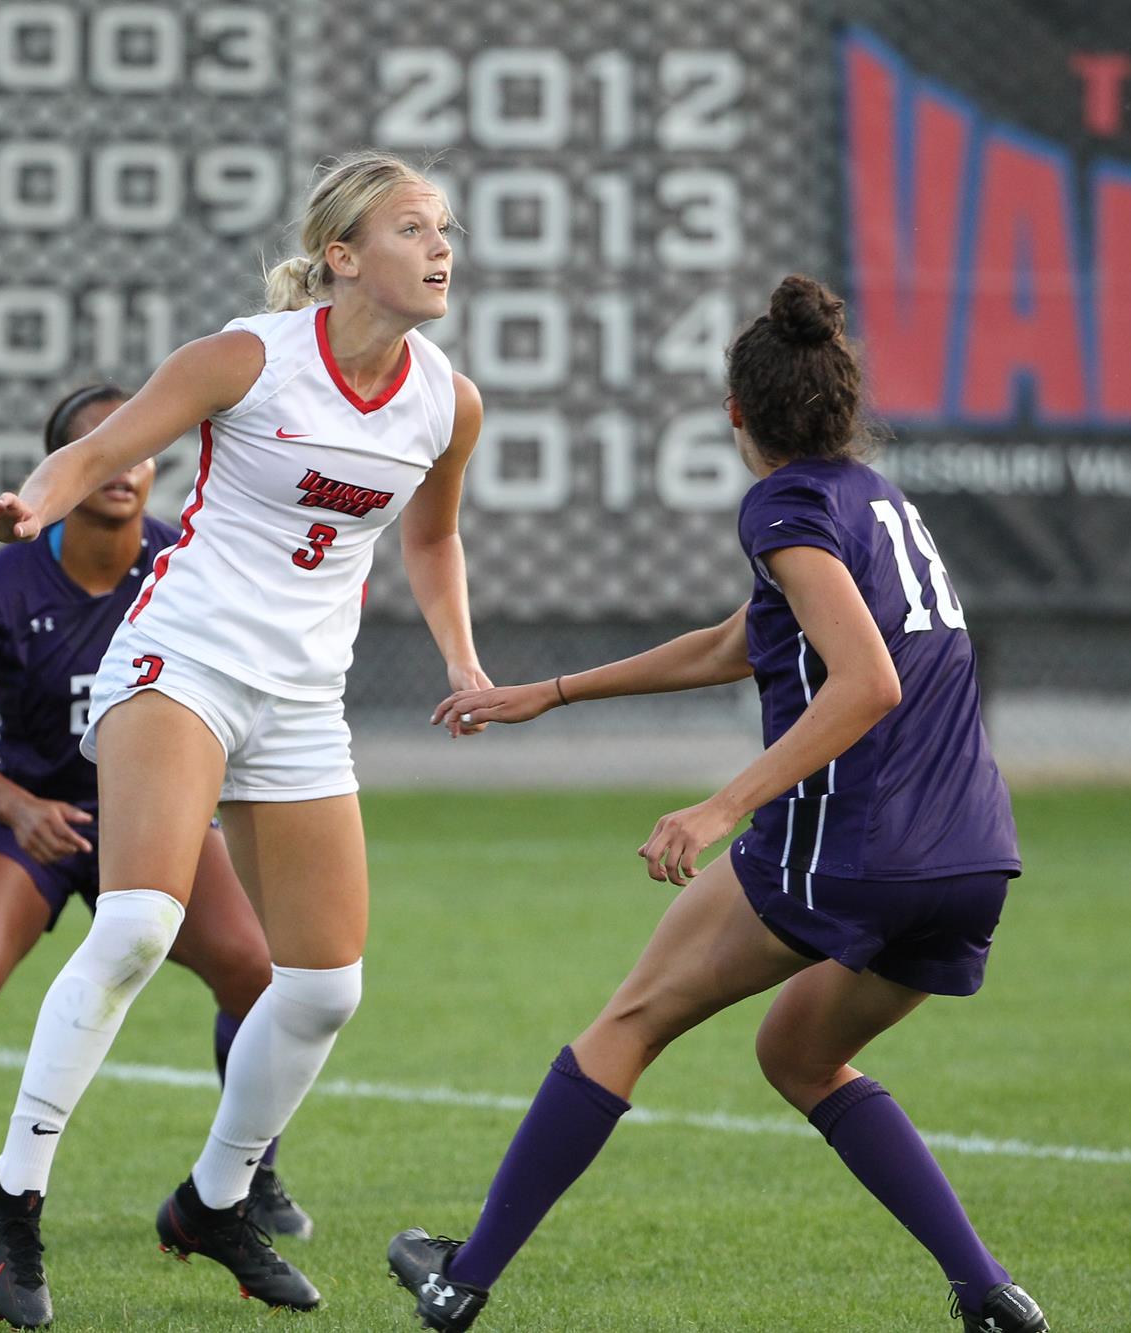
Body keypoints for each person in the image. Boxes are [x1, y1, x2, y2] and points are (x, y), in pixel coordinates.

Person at [386, 275, 1046, 1333]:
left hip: (850, 842)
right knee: (795, 1054)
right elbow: (740, 642)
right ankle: (986, 1292)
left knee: (629, 1021)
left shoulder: (780, 503)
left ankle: (459, 1280)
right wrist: (552, 692)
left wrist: (719, 807)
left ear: (735, 414)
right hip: (967, 861)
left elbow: (865, 681)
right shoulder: (872, 500)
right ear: (843, 403)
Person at [0, 150, 488, 1327]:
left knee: (322, 989)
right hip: (180, 661)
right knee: (142, 920)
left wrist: (459, 656)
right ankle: (10, 1196)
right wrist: (29, 506)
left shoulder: (444, 398)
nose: (441, 245)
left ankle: (210, 1202)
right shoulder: (249, 355)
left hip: (302, 699)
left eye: (444, 226)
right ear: (341, 256)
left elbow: (433, 541)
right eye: (412, 227)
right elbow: (97, 453)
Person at [0, 383, 311, 1244]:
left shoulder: (183, 566)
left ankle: (246, 1181)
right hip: (26, 813)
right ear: (65, 468)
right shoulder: (1, 586)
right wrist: (20, 807)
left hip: (153, 813)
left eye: (134, 448)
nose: (120, 466)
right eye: (97, 449)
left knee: (256, 971)